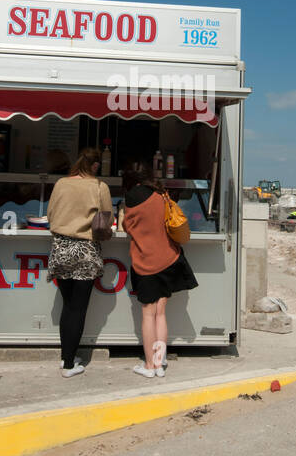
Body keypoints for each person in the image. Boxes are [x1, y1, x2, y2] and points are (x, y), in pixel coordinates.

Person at [121, 162, 198, 379]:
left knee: (148, 314)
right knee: (161, 314)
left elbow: (127, 226)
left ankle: (149, 366)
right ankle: (159, 363)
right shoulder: (161, 194)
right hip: (168, 259)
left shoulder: (132, 197)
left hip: (145, 262)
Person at [46, 147, 112, 378]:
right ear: (94, 166)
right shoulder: (99, 186)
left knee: (68, 306)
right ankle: (68, 365)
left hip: (61, 248)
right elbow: (106, 218)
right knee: (79, 308)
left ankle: (68, 356)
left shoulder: (61, 184)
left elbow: (51, 214)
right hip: (85, 249)